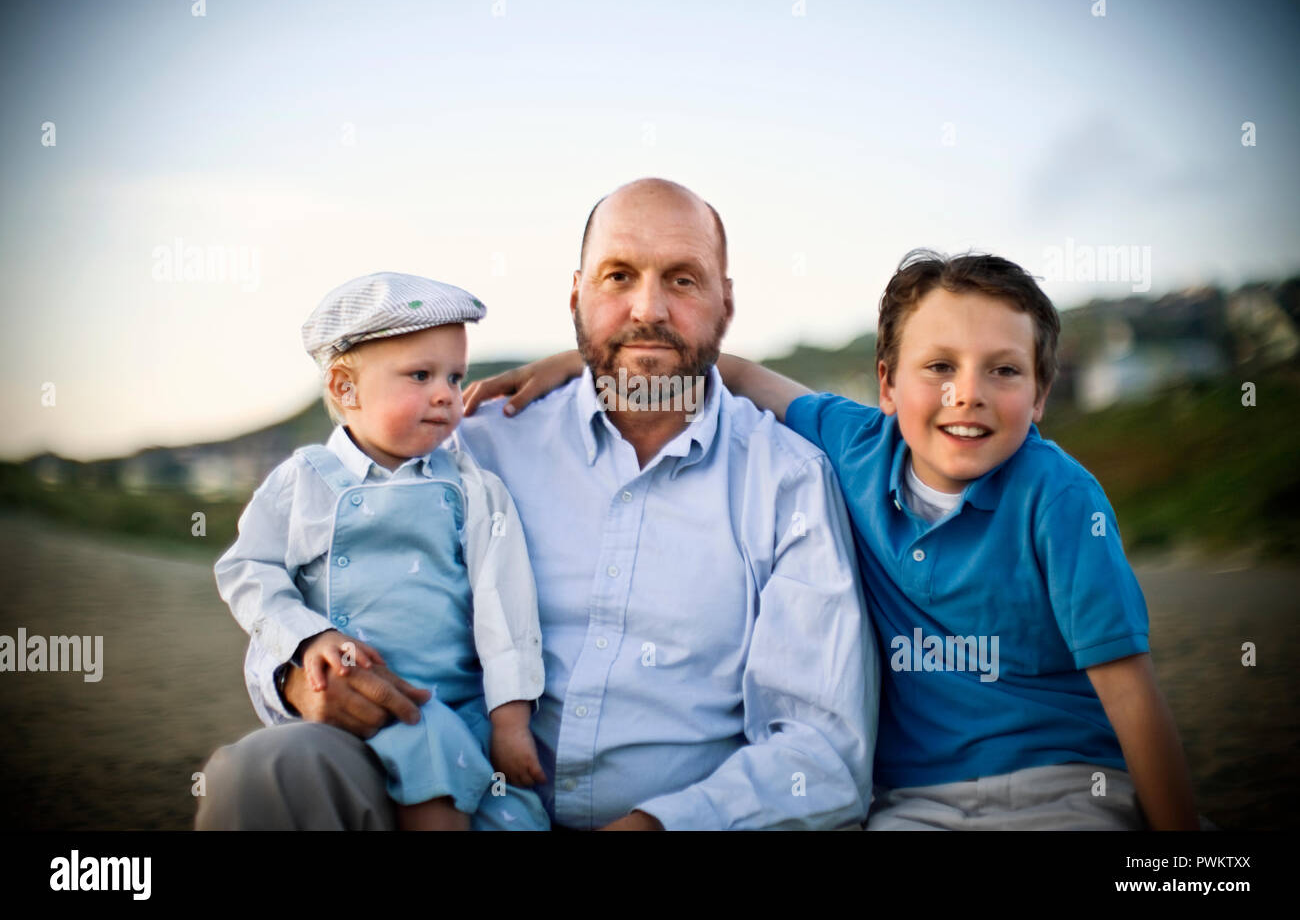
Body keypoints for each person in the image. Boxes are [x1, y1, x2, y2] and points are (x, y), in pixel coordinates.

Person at [195, 179, 878, 830]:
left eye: (682, 278)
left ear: (724, 302)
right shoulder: (472, 448)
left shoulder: (786, 480)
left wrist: (655, 826)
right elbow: (322, 591)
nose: (648, 309)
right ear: (576, 295)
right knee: (267, 771)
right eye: (618, 276)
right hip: (450, 790)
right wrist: (296, 678)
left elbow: (821, 754)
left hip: (679, 826)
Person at [490, 249, 1200, 830]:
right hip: (910, 803)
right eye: (940, 366)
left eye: (1004, 370)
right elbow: (726, 371)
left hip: (1064, 787)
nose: (968, 394)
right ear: (887, 385)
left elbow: (1132, 694)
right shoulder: (854, 445)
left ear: (1041, 395)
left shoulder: (1060, 497)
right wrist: (584, 366)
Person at [208, 271, 549, 830]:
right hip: (344, 708)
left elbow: (505, 609)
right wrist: (307, 635)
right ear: (345, 388)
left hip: (445, 707)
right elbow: (247, 568)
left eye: (454, 375)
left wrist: (510, 723)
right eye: (421, 374)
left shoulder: (472, 488)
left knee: (453, 794)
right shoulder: (302, 482)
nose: (446, 393)